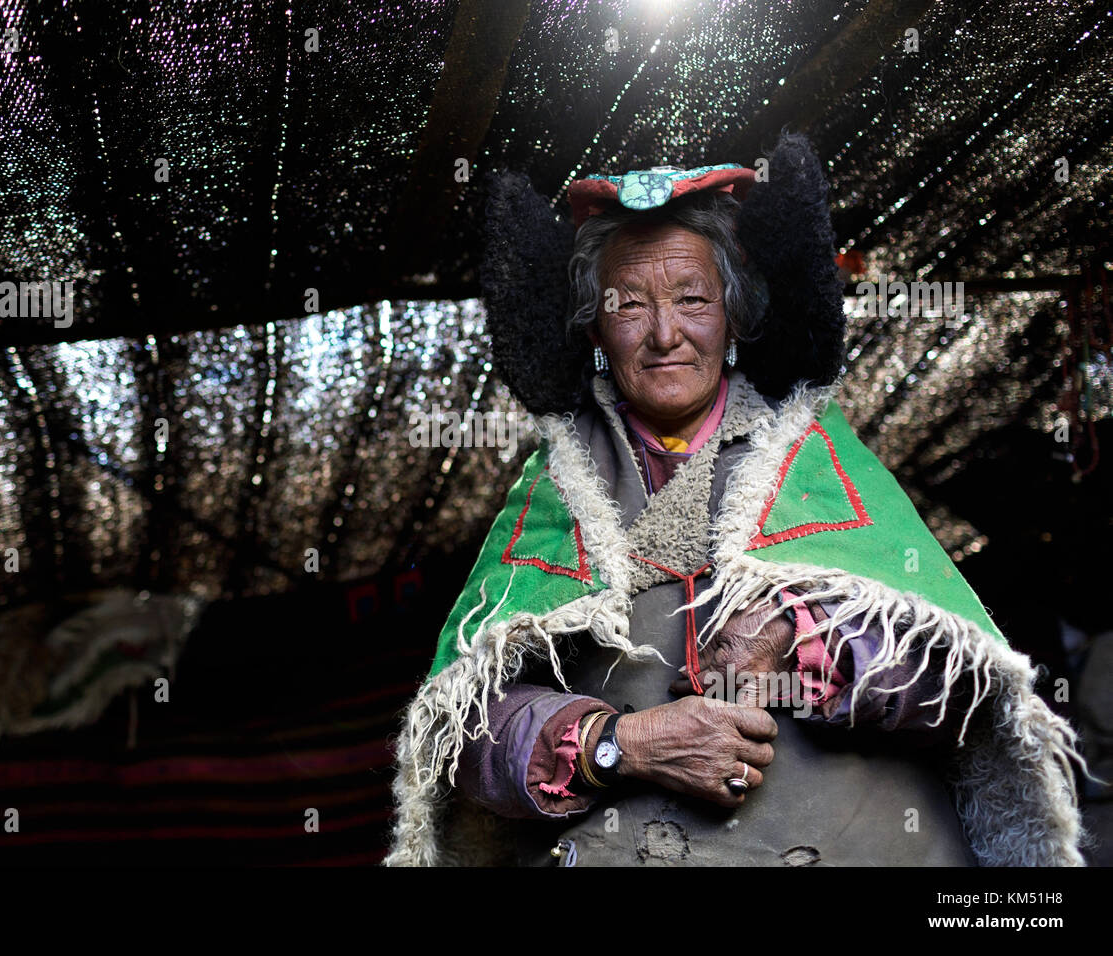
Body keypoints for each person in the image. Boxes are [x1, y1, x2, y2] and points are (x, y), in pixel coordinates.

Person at [384, 135, 1087, 867]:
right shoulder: (557, 492)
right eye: (629, 307)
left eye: (692, 299)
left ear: (733, 312)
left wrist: (798, 638)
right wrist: (618, 745)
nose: (665, 335)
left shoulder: (819, 463)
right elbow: (462, 734)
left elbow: (965, 688)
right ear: (595, 328)